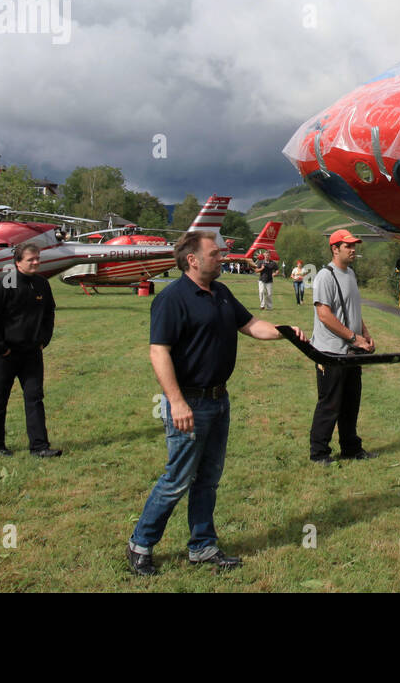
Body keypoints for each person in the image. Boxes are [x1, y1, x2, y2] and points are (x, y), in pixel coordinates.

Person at [126, 231, 306, 576]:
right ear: (192, 260)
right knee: (177, 479)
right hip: (189, 404)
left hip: (218, 401)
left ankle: (202, 547)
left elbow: (251, 325)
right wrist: (176, 402)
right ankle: (141, 544)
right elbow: (158, 351)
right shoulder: (173, 298)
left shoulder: (221, 293)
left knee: (208, 480)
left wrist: (284, 331)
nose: (222, 258)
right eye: (214, 254)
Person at [0, 243, 61, 457]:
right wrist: (1, 348)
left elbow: (49, 314)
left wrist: (44, 340)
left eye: (37, 258)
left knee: (35, 398)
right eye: (30, 259)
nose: (35, 262)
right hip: (6, 355)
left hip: (32, 354)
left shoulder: (42, 284)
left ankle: (39, 447)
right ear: (17, 262)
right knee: (0, 397)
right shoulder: (5, 284)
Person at [309, 230, 376, 464]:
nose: (353, 249)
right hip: (331, 352)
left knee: (350, 404)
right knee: (329, 404)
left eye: (354, 245)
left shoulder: (351, 274)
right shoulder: (325, 277)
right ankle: (319, 453)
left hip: (350, 352)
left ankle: (351, 448)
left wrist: (365, 335)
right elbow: (325, 315)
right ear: (334, 249)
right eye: (348, 246)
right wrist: (353, 337)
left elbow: (352, 309)